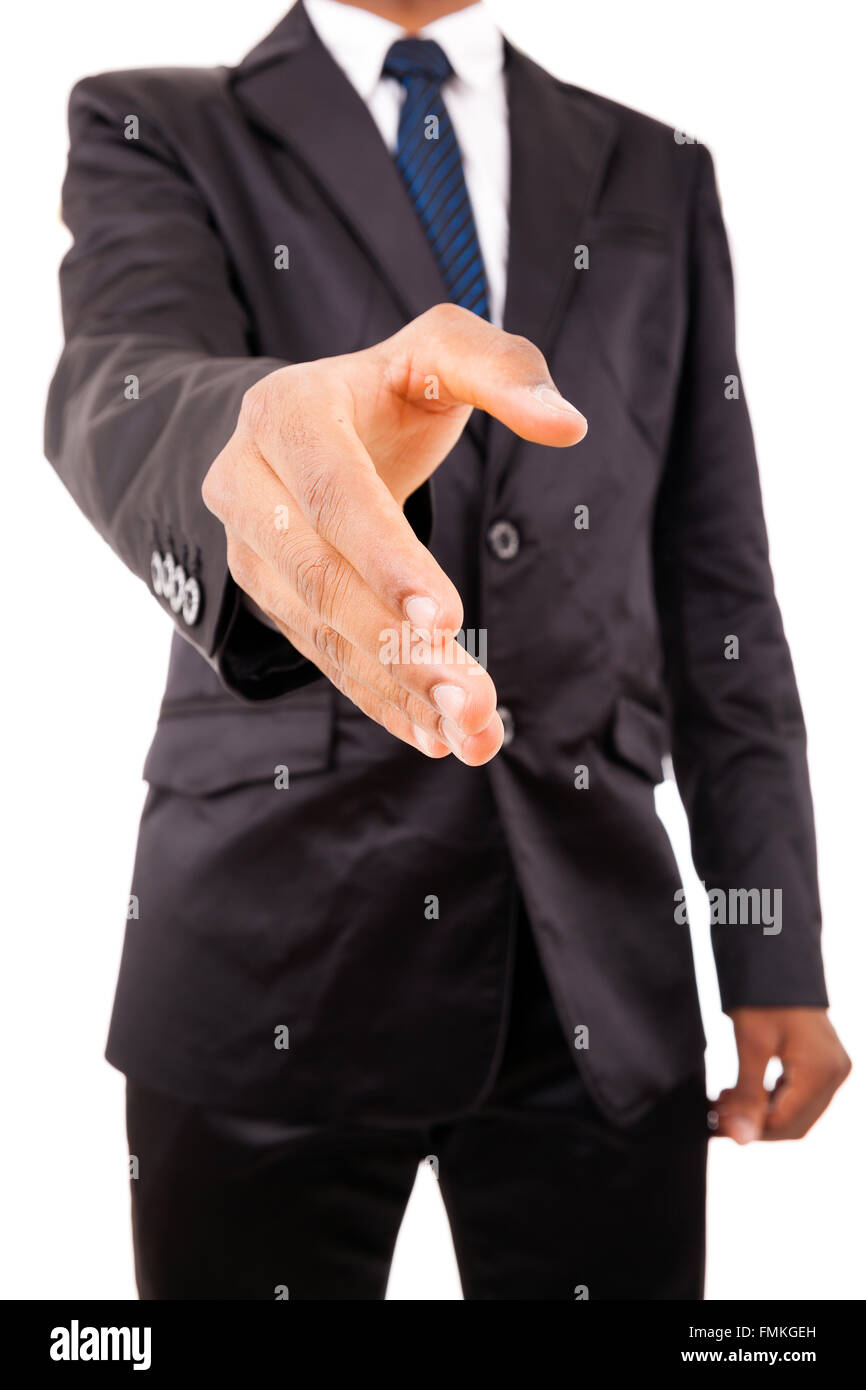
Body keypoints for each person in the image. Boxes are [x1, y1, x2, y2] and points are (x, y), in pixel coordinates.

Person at [45, 0, 850, 1300]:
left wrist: (774, 949)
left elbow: (720, 588)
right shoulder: (157, 120)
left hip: (598, 960)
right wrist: (249, 429)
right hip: (264, 950)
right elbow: (122, 375)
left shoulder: (658, 168)